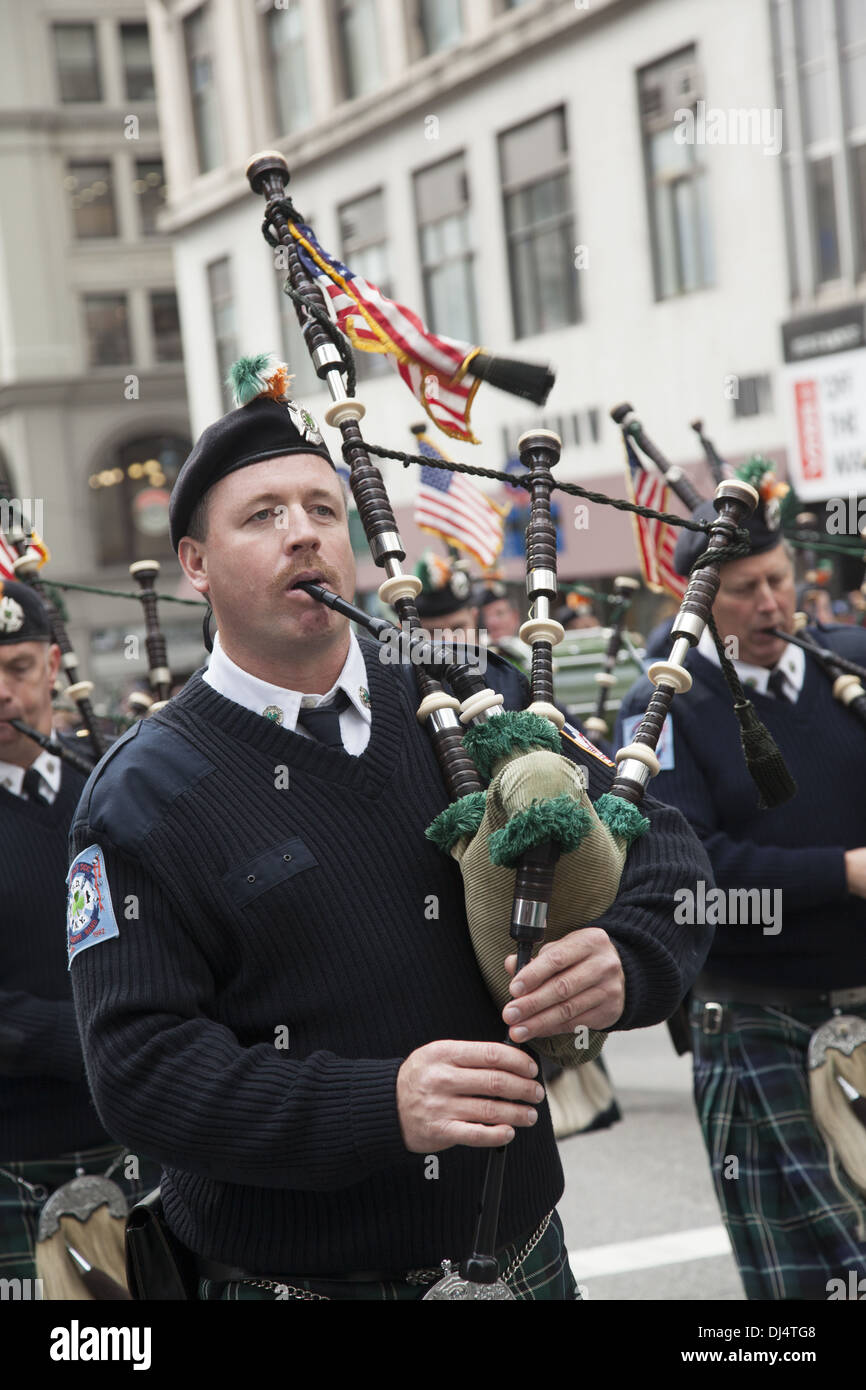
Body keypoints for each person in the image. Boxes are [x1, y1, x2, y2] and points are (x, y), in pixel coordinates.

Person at [67, 375, 714, 1301]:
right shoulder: (138, 795)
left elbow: (663, 845)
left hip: (524, 1256)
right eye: (261, 516)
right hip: (299, 1282)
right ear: (195, 564)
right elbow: (141, 1072)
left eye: (323, 508)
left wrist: (632, 955)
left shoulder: (461, 690)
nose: (304, 533)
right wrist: (379, 1106)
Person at [616, 501, 866, 1301]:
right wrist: (845, 873)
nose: (769, 603)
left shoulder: (849, 667)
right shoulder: (664, 709)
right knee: (807, 1287)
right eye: (744, 588)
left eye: (779, 580)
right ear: (699, 602)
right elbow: (697, 882)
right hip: (757, 1021)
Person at [0, 580, 154, 1287]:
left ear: (55, 665)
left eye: (19, 667)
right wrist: (89, 1038)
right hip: (20, 1150)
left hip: (145, 1129)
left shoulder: (112, 783)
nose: (3, 691)